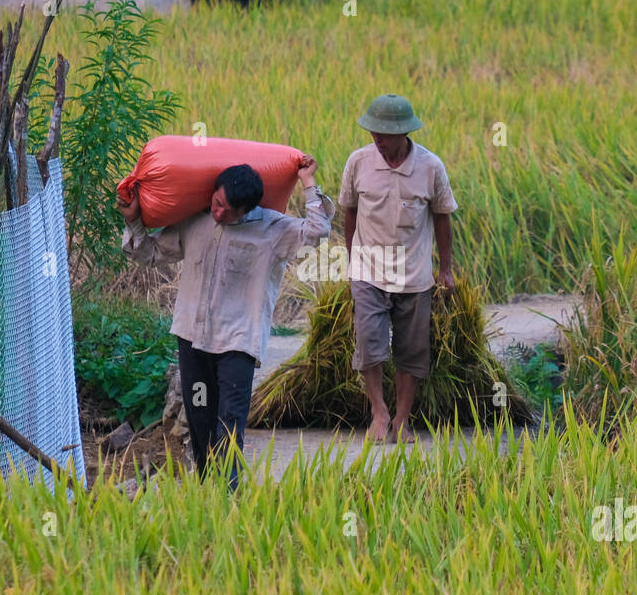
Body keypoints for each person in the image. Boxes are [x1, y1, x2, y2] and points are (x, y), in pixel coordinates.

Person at [118, 157, 332, 489]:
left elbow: (318, 230)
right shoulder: (197, 221)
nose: (219, 214)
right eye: (217, 204)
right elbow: (149, 253)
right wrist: (133, 221)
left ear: (247, 210)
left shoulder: (273, 229)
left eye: (229, 211)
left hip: (238, 341)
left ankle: (228, 491)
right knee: (200, 414)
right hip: (193, 337)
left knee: (230, 418)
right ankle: (206, 489)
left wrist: (307, 180)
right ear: (212, 195)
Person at [338, 94, 457, 442]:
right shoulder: (358, 162)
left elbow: (442, 216)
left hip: (414, 274)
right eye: (374, 131)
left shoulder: (430, 166)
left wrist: (445, 269)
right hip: (368, 271)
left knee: (412, 349)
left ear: (405, 132)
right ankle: (379, 413)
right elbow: (349, 211)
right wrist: (352, 260)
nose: (378, 138)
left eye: (386, 133)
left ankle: (402, 419)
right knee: (369, 342)